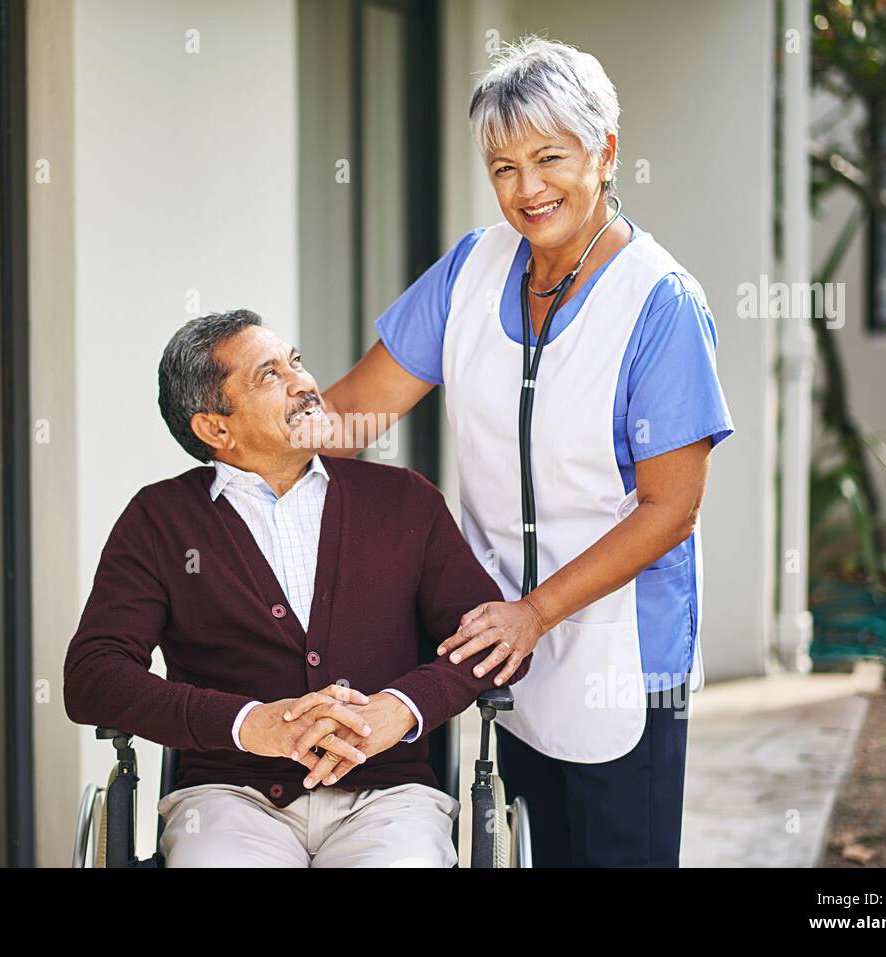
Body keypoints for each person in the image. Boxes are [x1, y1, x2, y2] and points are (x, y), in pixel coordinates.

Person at [322, 37, 734, 866]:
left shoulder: (659, 303)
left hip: (620, 650)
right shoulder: (472, 270)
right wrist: (242, 418)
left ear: (606, 151)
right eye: (503, 166)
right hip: (496, 640)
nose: (528, 189)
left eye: (550, 157)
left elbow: (671, 509)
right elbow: (348, 418)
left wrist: (537, 612)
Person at [63, 309, 529, 867]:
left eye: (296, 362)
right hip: (230, 801)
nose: (304, 384)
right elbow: (93, 677)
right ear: (216, 428)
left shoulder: (405, 501)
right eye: (269, 375)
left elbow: (497, 640)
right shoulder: (160, 520)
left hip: (387, 800)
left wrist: (399, 709)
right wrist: (247, 725)